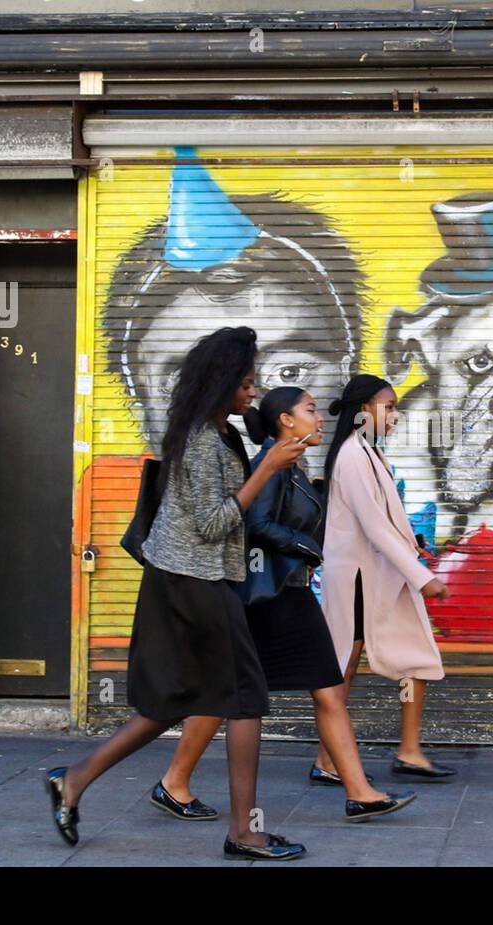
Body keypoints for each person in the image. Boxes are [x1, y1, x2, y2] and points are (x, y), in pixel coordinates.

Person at [45, 326, 310, 861]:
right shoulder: (200, 441)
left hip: (186, 579)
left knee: (173, 700)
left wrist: (266, 446)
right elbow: (214, 523)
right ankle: (244, 832)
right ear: (222, 384)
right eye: (246, 384)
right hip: (195, 581)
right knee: (245, 700)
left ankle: (72, 781)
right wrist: (267, 470)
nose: (253, 393)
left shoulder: (218, 432)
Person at [198, 385, 416, 821]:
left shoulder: (294, 467)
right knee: (239, 694)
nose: (321, 419)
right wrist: (311, 550)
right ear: (286, 421)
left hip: (288, 591)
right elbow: (256, 524)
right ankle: (176, 781)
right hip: (272, 597)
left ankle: (358, 791)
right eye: (311, 410)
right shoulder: (274, 465)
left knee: (323, 687)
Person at [315, 374, 457, 781]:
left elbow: (381, 520)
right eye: (389, 407)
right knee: (344, 665)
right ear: (364, 410)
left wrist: (409, 540)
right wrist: (422, 576)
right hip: (362, 581)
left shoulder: (369, 453)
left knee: (414, 659)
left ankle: (410, 751)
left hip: (383, 576)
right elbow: (374, 528)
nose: (396, 415)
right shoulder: (353, 456)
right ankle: (327, 760)